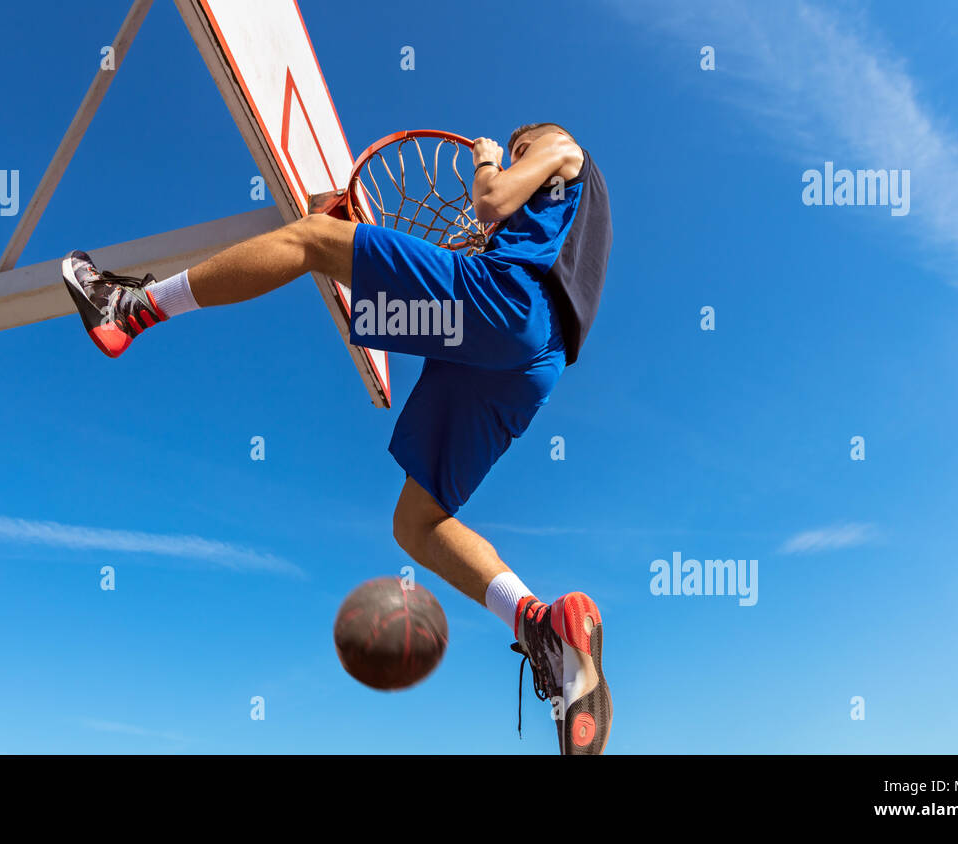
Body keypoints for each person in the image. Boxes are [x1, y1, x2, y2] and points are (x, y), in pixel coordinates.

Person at [62, 123, 614, 754]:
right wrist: (371, 244)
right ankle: (543, 628)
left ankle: (131, 309)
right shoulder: (569, 228)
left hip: (511, 308)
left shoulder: (563, 148)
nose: (516, 152)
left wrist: (491, 165)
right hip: (527, 360)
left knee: (312, 239)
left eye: (523, 146)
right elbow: (476, 259)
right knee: (417, 524)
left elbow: (490, 203)